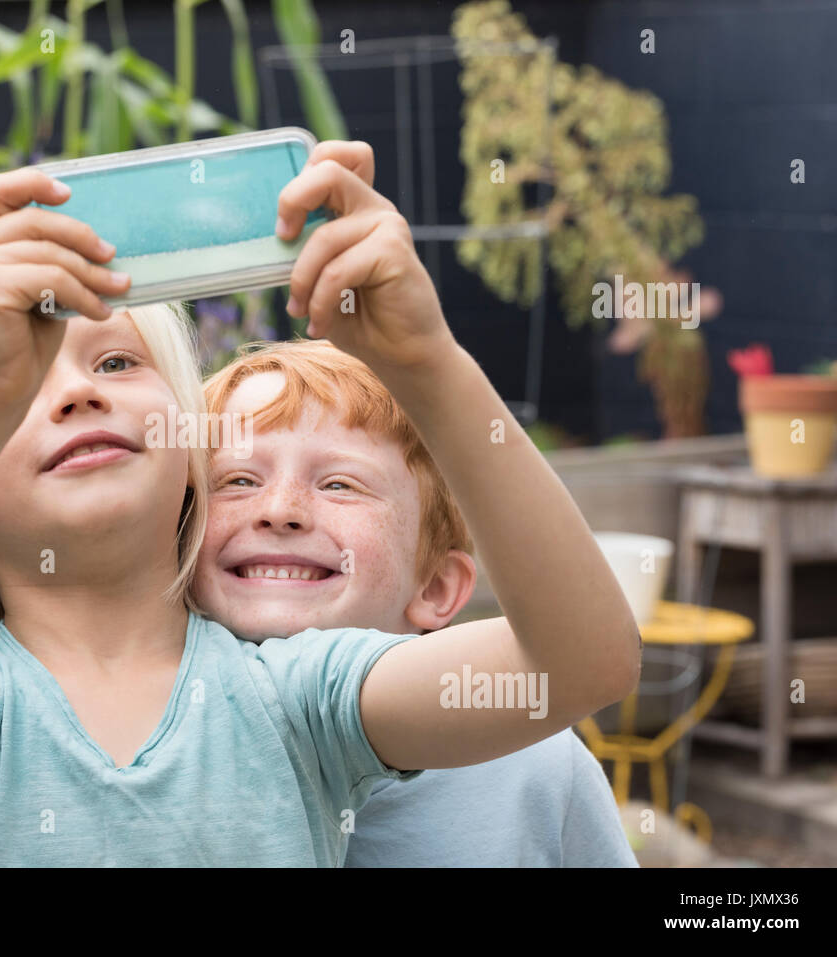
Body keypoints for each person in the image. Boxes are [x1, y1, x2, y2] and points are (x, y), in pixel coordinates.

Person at [0, 140, 641, 866]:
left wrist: (426, 361)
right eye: (18, 383)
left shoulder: (300, 695)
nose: (73, 393)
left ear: (192, 458)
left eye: (115, 362)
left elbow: (581, 662)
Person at [196, 338, 637, 867]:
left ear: (435, 587)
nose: (279, 509)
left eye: (340, 484)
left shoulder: (538, 765)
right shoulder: (151, 737)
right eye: (237, 480)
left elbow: (587, 658)